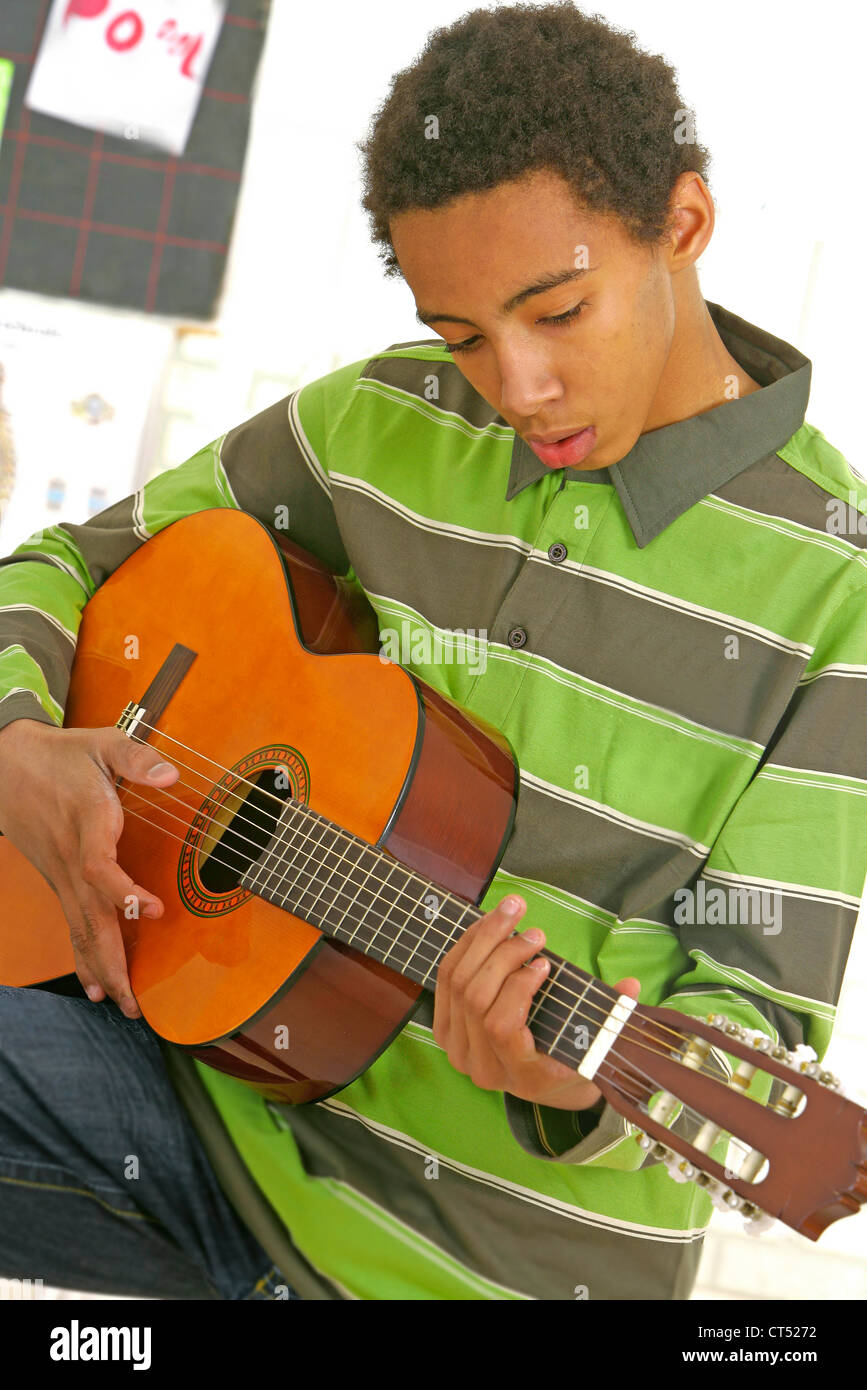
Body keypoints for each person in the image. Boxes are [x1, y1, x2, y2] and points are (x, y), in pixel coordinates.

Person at [0, 3, 864, 1302]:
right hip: (210, 1110)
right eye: (462, 330)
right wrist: (17, 737)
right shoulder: (384, 419)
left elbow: (756, 1033)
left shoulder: (838, 585)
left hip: (475, 1273)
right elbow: (71, 564)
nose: (513, 385)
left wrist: (569, 1084)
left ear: (683, 225)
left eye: (558, 311)